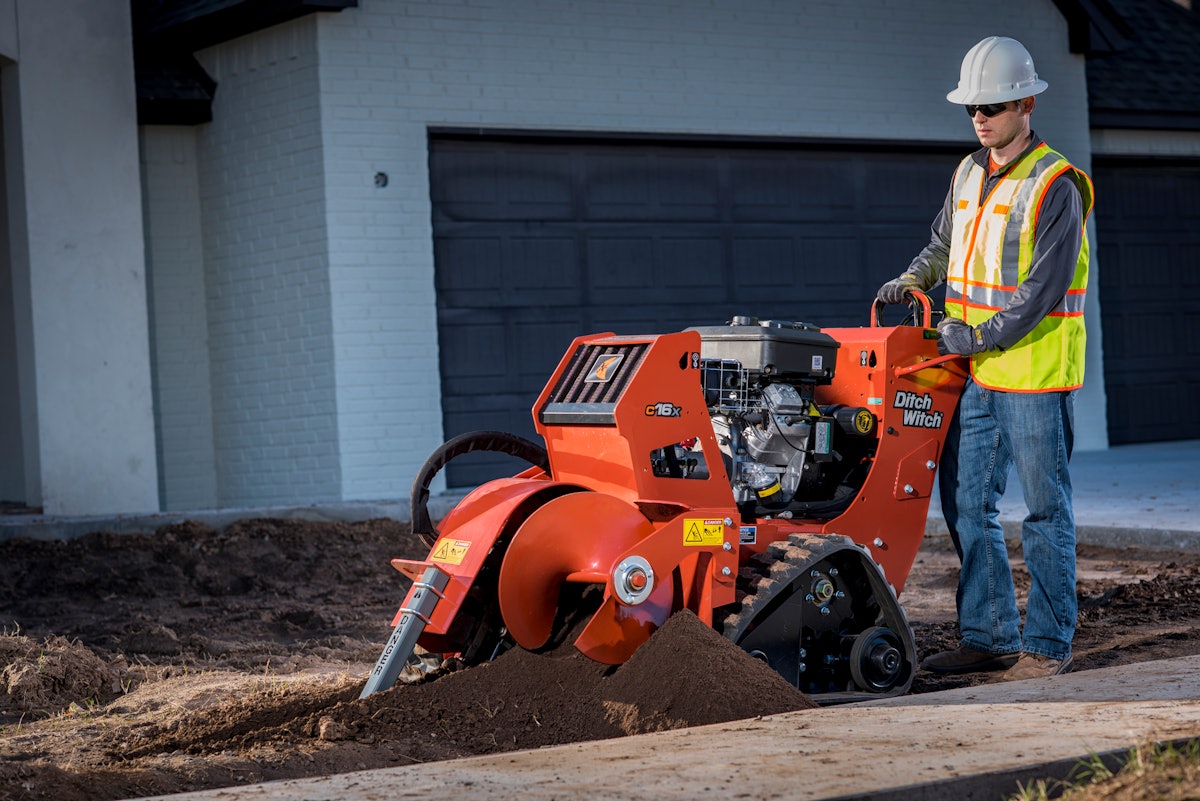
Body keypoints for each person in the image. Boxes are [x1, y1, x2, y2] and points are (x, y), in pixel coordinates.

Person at [876, 36, 1094, 681]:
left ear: (1026, 102)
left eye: (993, 105)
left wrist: (978, 335)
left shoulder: (1058, 183)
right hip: (973, 374)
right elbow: (944, 245)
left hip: (1032, 374)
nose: (980, 117)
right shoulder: (968, 172)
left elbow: (1043, 289)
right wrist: (914, 278)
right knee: (968, 507)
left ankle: (1048, 646)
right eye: (973, 107)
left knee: (1046, 512)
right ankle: (988, 635)